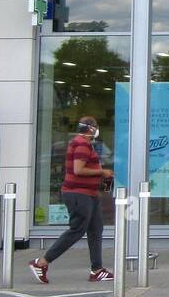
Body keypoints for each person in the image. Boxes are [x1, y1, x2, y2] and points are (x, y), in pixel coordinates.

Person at [28, 116, 114, 284]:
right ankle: (42, 263)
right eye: (96, 126)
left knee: (96, 229)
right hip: (78, 194)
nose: (97, 129)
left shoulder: (83, 143)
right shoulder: (81, 143)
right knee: (77, 230)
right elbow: (78, 169)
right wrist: (102, 172)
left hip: (89, 194)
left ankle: (97, 270)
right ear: (90, 128)